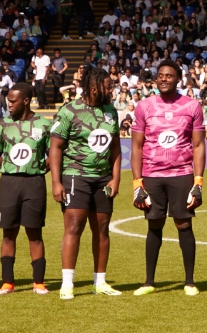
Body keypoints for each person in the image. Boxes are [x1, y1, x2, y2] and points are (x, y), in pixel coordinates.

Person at [130, 61, 206, 296]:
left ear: (178, 79)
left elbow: (198, 145)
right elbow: (136, 146)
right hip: (152, 175)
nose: (164, 79)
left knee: (183, 224)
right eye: (160, 75)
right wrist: (137, 183)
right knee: (154, 225)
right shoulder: (144, 106)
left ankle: (190, 282)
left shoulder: (192, 106)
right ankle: (149, 282)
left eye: (169, 76)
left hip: (182, 174)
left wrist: (198, 181)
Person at [48, 66, 123, 299]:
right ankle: (67, 283)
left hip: (102, 179)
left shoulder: (111, 111)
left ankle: (99, 282)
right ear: (94, 88)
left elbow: (116, 147)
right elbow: (56, 148)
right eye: (108, 86)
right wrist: (56, 182)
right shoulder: (69, 111)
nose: (112, 90)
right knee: (74, 227)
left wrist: (116, 177)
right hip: (74, 175)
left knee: (101, 229)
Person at [0, 82, 50, 295]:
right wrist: (9, 166)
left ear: (26, 101)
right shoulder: (2, 124)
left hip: (34, 183)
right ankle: (8, 282)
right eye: (8, 101)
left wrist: (42, 167)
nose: (9, 105)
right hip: (9, 183)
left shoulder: (43, 124)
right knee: (8, 233)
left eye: (13, 101)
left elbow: (54, 154)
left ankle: (38, 282)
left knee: (35, 233)